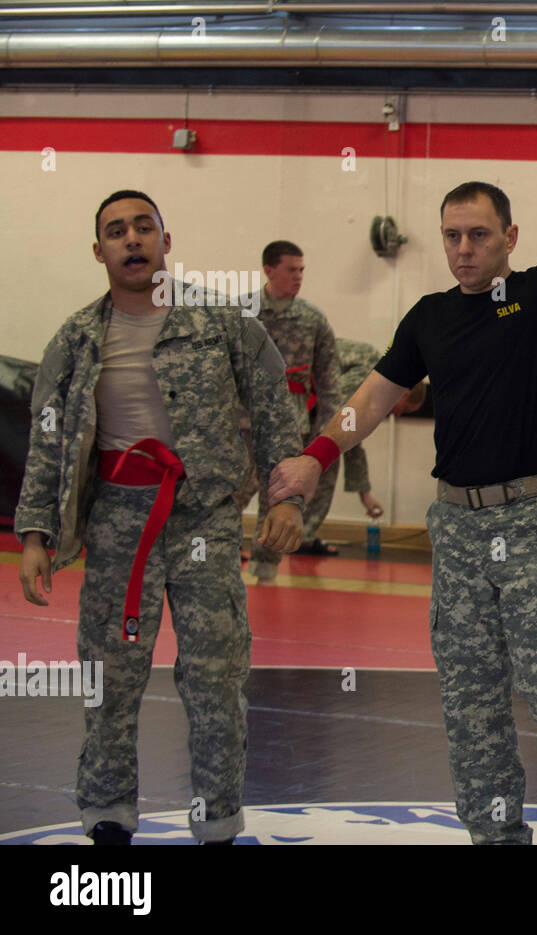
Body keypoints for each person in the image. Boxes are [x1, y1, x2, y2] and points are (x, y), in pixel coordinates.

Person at [267, 178, 537, 844]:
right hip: (460, 531)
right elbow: (376, 398)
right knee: (472, 704)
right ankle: (495, 834)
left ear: (510, 237)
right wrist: (317, 455)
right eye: (452, 236)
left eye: (479, 234)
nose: (464, 249)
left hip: (534, 525)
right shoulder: (429, 317)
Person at [16, 190, 303, 845]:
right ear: (99, 251)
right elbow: (48, 437)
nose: (132, 239)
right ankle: (108, 812)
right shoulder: (77, 337)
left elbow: (273, 408)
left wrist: (286, 497)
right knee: (110, 675)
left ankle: (218, 818)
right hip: (120, 521)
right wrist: (36, 533)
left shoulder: (222, 323)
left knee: (215, 676)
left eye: (144, 226)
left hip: (205, 518)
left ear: (166, 241)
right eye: (116, 231)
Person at [240, 241, 341, 576]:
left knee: (279, 501)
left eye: (302, 270)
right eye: (291, 270)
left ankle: (264, 570)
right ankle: (214, 563)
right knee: (227, 497)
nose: (298, 277)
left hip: (289, 424)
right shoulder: (241, 312)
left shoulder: (313, 320)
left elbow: (329, 383)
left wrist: (323, 435)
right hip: (241, 422)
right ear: (269, 270)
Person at [297, 337, 427, 535]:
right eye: (404, 410)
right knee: (324, 462)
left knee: (328, 454)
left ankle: (303, 535)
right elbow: (341, 422)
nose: (398, 415)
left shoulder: (376, 371)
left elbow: (348, 430)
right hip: (291, 390)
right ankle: (301, 537)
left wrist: (365, 495)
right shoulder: (371, 372)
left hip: (302, 396)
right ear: (405, 394)